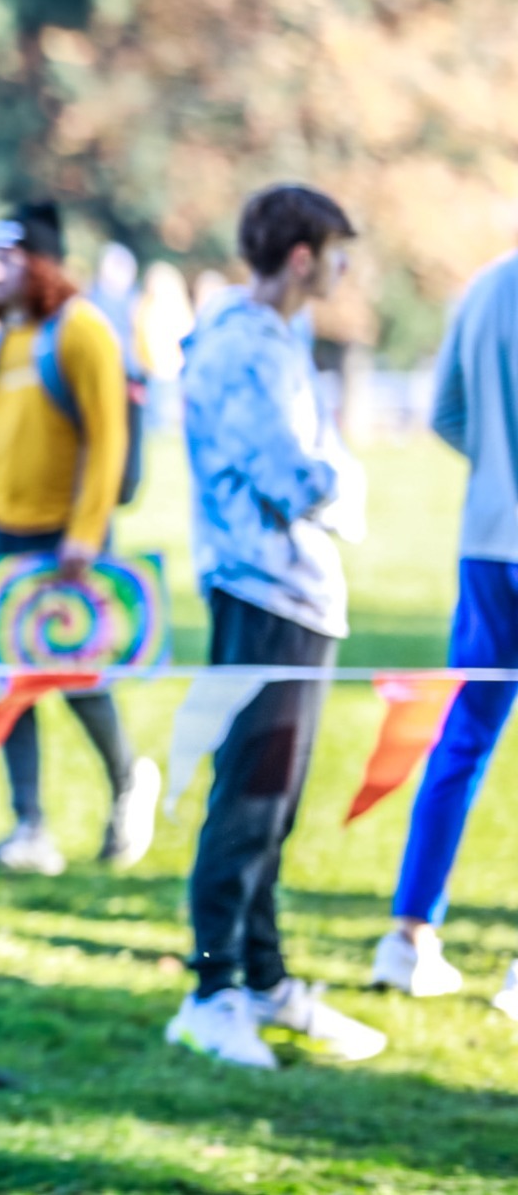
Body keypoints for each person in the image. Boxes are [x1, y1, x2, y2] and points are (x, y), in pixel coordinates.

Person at [166, 183, 385, 1069]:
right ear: (303, 255)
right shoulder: (244, 345)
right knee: (249, 799)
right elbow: (293, 474)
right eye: (337, 252)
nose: (342, 269)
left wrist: (333, 473)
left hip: (295, 594)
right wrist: (346, 482)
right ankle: (210, 990)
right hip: (263, 593)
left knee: (277, 803)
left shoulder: (277, 341)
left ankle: (262, 978)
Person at [0, 202, 161, 875]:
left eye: (8, 259)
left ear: (41, 262)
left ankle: (127, 782)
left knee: (78, 675)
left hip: (68, 536)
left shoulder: (83, 332)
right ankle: (29, 827)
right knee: (7, 682)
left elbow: (108, 438)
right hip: (2, 533)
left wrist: (86, 534)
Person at [371, 249, 518, 1018]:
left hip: (490, 542)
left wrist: (499, 468)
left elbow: (447, 413)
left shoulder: (488, 283)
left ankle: (409, 931)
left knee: (460, 739)